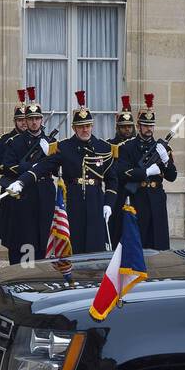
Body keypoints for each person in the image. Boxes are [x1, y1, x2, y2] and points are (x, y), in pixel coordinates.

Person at [0, 88, 60, 264]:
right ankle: (22, 269)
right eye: (31, 119)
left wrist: (50, 153)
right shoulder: (15, 142)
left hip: (44, 191)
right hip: (24, 193)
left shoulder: (50, 142)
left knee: (43, 232)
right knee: (24, 233)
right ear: (25, 120)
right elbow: (8, 167)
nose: (34, 122)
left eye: (37, 119)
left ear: (42, 120)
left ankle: (41, 268)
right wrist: (31, 167)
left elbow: (57, 170)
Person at [55, 90, 115, 254]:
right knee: (76, 243)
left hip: (96, 200)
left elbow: (112, 179)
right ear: (74, 128)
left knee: (95, 245)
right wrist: (23, 181)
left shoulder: (104, 148)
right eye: (81, 127)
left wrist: (109, 203)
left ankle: (94, 278)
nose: (85, 130)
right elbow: (45, 167)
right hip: (74, 200)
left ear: (92, 126)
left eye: (88, 126)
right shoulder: (65, 147)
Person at [114, 94, 176, 250]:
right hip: (137, 198)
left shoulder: (162, 148)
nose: (149, 128)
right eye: (145, 125)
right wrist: (146, 172)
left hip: (156, 199)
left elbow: (172, 176)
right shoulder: (127, 147)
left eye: (152, 125)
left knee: (157, 242)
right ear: (138, 125)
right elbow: (122, 172)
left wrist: (166, 160)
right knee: (137, 242)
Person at [0, 90, 28, 254]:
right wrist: (19, 168)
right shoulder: (4, 141)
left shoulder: (39, 140)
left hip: (31, 189)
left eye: (25, 119)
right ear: (15, 121)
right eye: (20, 120)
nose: (23, 124)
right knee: (12, 234)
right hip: (11, 189)